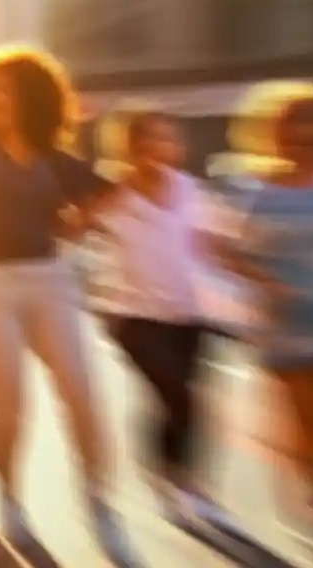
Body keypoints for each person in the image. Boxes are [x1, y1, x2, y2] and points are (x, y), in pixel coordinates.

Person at [0, 45, 140, 565]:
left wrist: (75, 226)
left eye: (7, 91)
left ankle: (101, 504)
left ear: (31, 100)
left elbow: (109, 196)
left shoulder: (54, 159)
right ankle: (9, 495)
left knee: (82, 395)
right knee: (10, 405)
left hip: (49, 280)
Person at [92, 110, 243, 528]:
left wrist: (252, 274)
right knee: (175, 392)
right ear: (130, 148)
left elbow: (218, 243)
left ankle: (176, 474)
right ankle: (177, 478)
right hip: (133, 317)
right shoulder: (114, 195)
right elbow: (72, 227)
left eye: (166, 140)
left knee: (183, 400)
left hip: (189, 314)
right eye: (147, 141)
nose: (158, 149)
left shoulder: (192, 191)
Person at [228, 95, 313, 532]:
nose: (302, 140)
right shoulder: (263, 193)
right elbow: (234, 253)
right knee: (301, 412)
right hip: (283, 320)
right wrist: (267, 282)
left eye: (310, 131)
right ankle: (310, 484)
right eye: (292, 131)